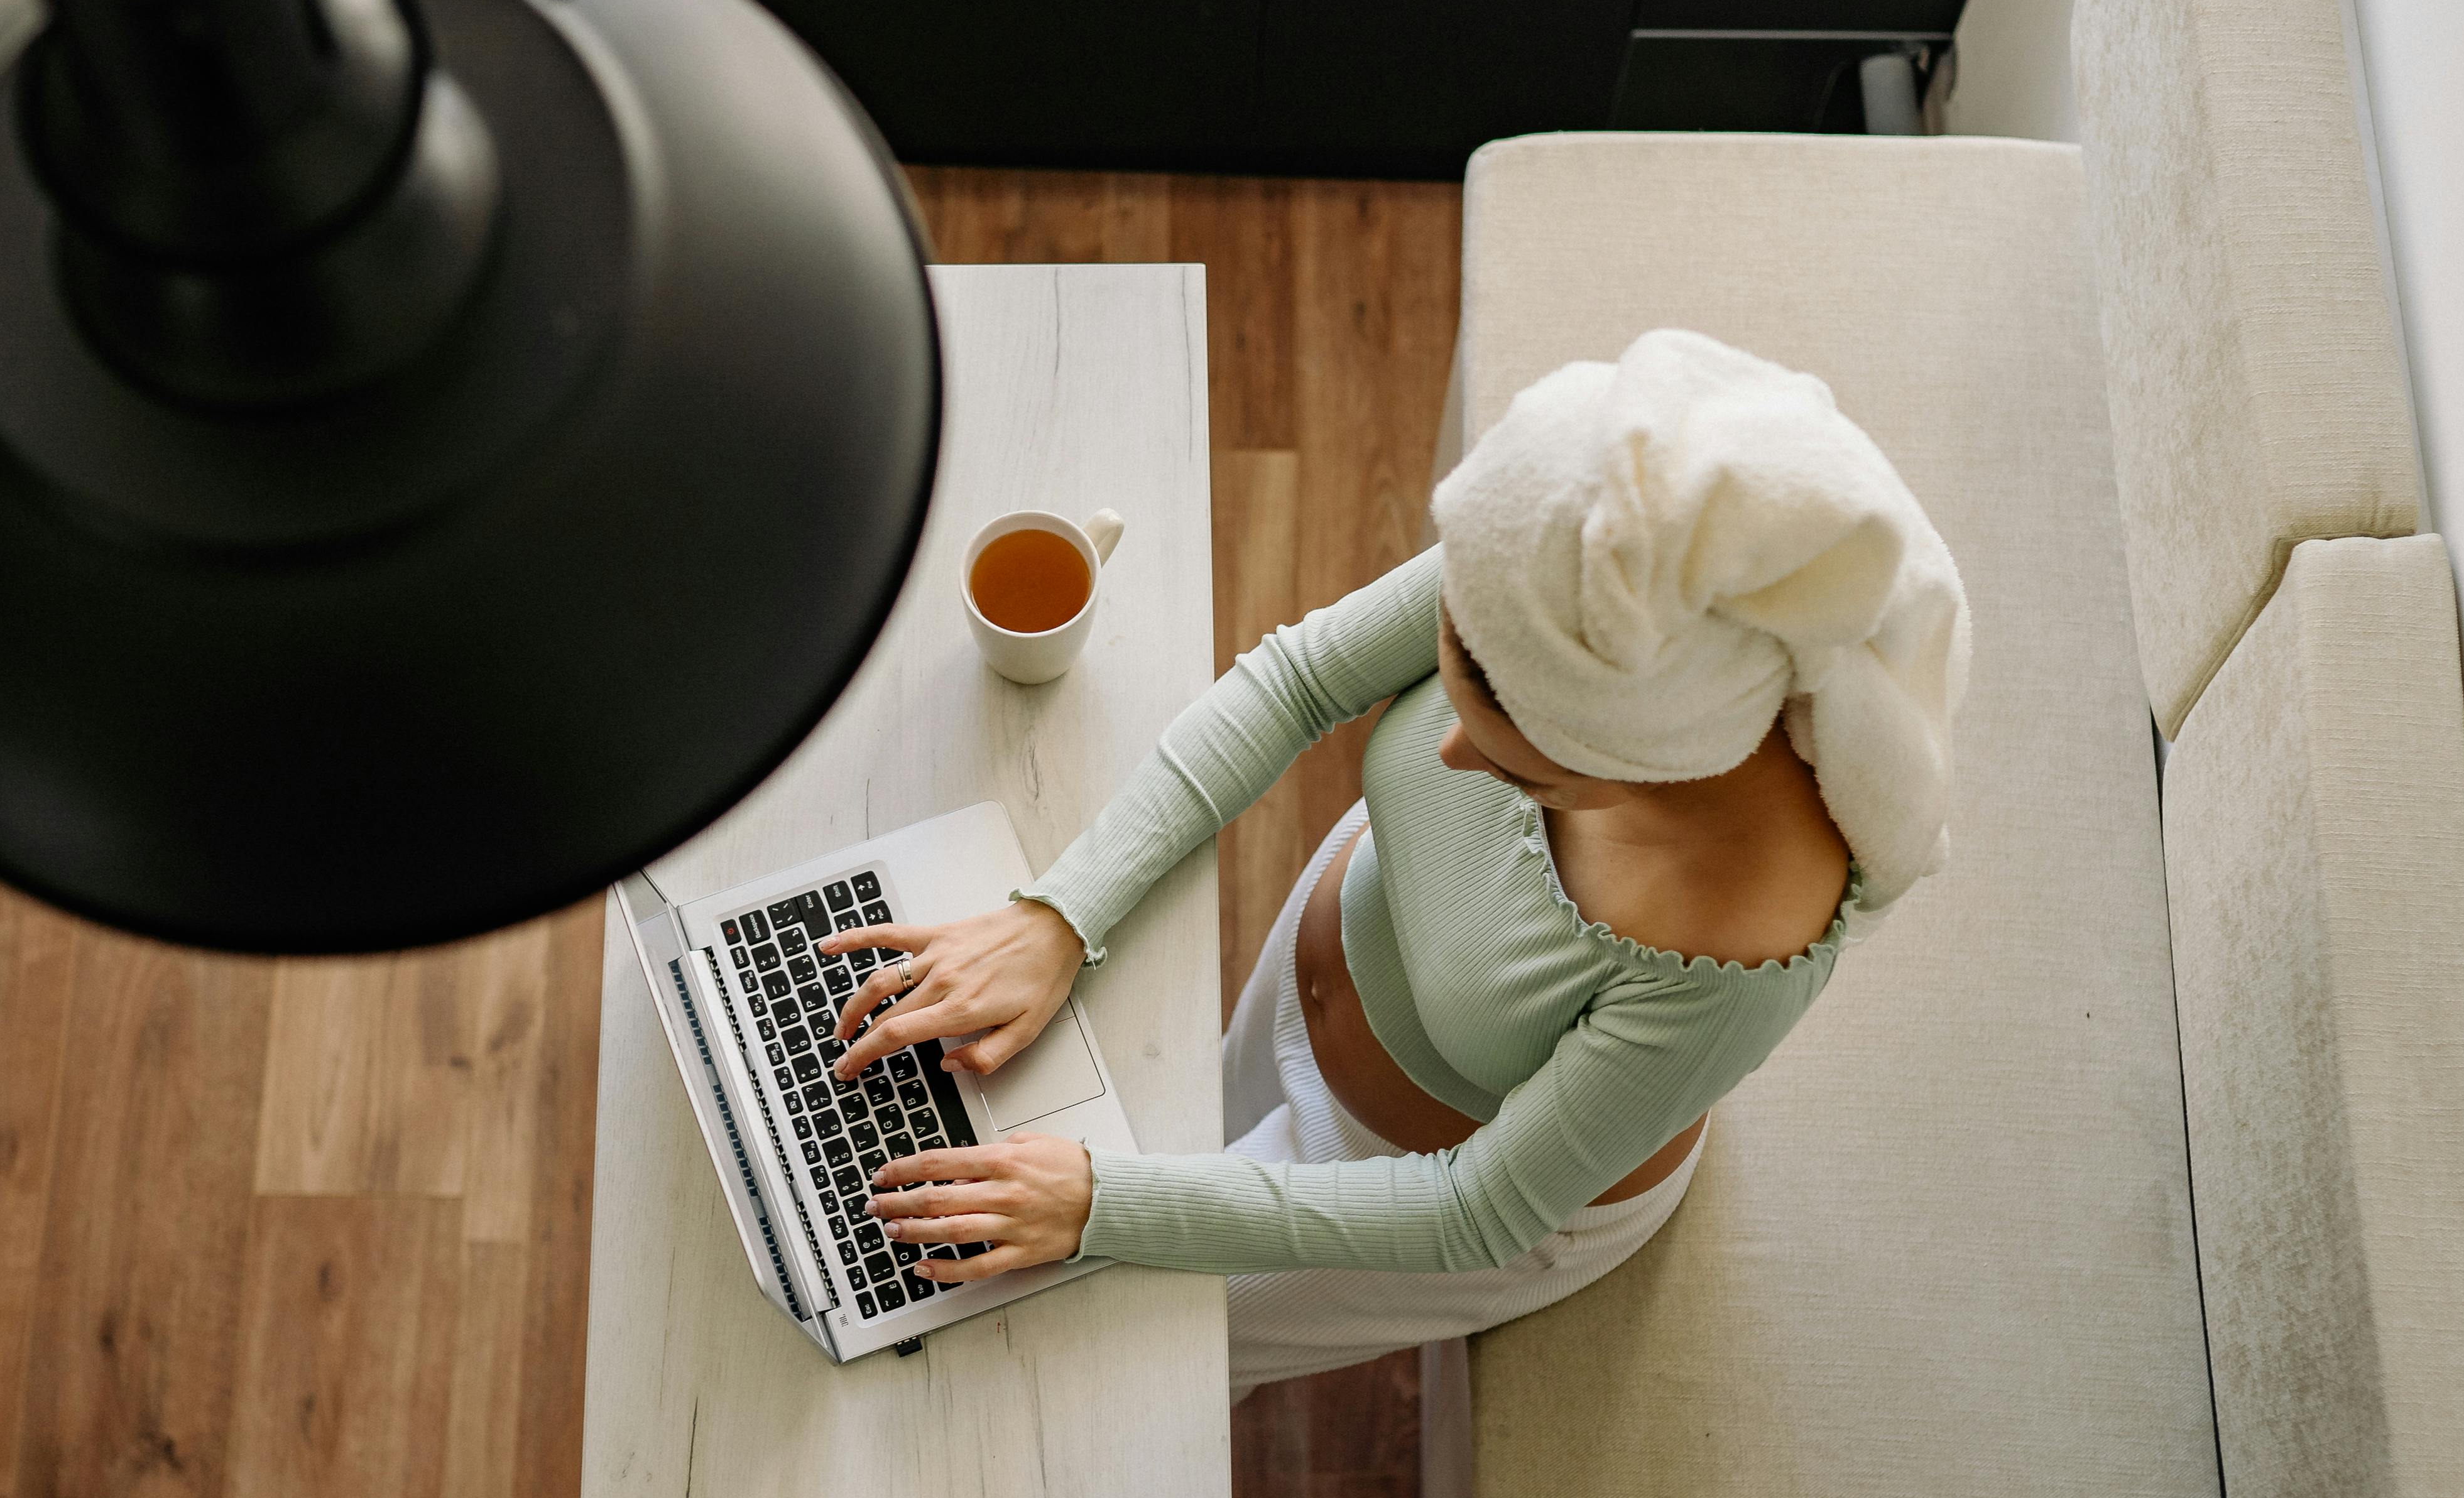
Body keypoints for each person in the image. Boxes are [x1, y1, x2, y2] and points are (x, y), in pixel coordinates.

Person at [819, 328, 1971, 1394]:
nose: (1451, 753)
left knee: (1084, 1371)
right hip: (1330, 980)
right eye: (1450, 685)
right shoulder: (1566, 578)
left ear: (1655, 765)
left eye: (1525, 774)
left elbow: (1472, 1208)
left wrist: (1103, 1202)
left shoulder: (1737, 940)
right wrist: (1059, 917)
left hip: (1424, 1196)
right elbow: (1300, 680)